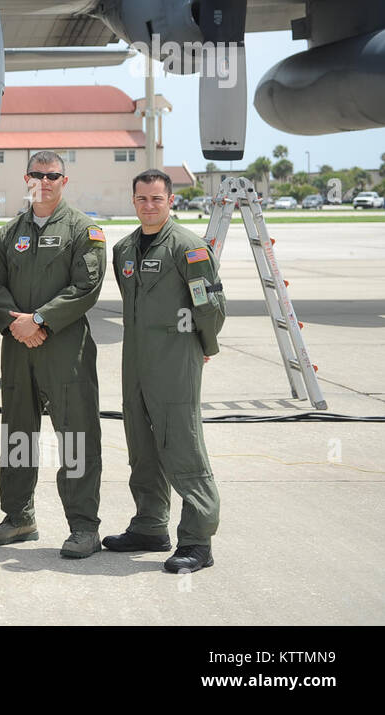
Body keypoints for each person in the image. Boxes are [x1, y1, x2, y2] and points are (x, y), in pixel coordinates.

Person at [0, 150, 107, 558]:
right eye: (37, 174)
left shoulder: (83, 231)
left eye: (53, 175)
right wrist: (18, 325)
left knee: (74, 436)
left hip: (64, 348)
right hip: (18, 346)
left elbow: (85, 288)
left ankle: (84, 527)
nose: (45, 181)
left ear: (64, 182)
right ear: (27, 179)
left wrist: (39, 320)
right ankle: (19, 517)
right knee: (18, 433)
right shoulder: (8, 233)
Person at [107, 169, 226, 573]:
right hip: (136, 362)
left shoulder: (189, 248)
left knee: (181, 446)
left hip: (175, 362)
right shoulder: (123, 249)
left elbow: (209, 306)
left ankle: (197, 541)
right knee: (141, 446)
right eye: (142, 199)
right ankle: (149, 525)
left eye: (157, 199)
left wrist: (203, 347)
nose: (149, 206)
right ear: (134, 201)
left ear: (170, 200)